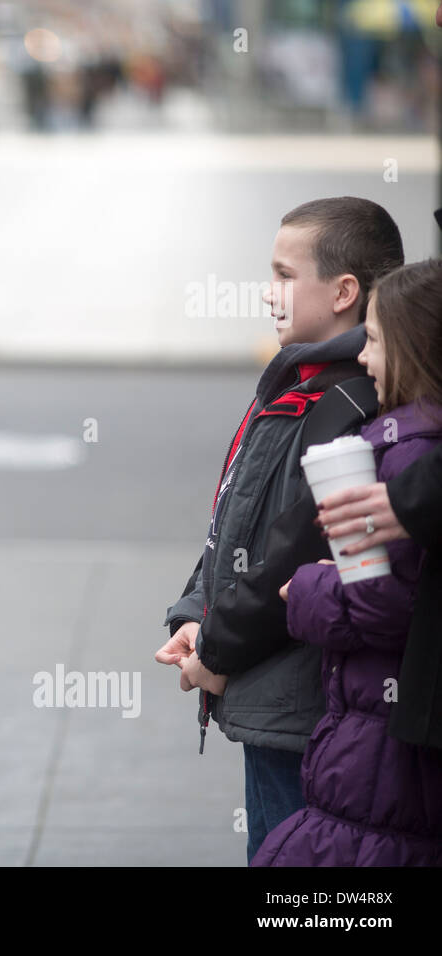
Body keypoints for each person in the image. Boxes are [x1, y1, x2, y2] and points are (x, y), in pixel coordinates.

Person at [155, 197, 404, 862]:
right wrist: (193, 611)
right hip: (268, 689)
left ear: (345, 292)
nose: (269, 294)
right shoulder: (300, 383)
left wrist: (217, 645)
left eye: (285, 276)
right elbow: (235, 521)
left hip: (300, 707)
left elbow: (291, 557)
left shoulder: (347, 405)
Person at [254, 259, 442, 866]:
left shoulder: (404, 454)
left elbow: (383, 598)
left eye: (378, 342)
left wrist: (302, 589)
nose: (365, 358)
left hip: (383, 743)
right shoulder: (404, 444)